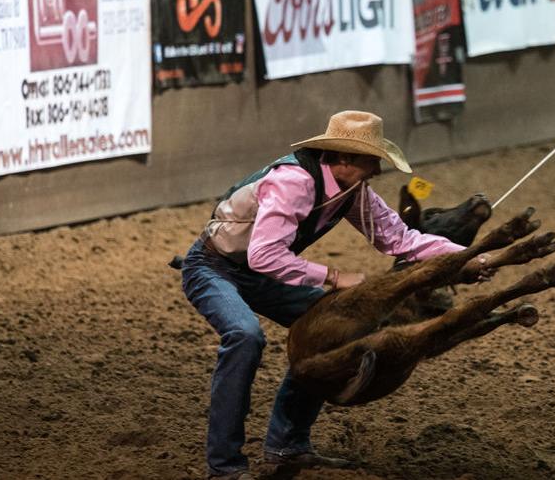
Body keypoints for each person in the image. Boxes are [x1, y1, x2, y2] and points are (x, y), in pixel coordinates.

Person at [180, 110, 492, 479]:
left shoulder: (351, 190)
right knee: (244, 336)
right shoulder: (294, 182)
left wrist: (468, 256)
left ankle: (287, 445)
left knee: (333, 332)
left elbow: (401, 239)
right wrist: (333, 276)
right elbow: (263, 254)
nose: (376, 171)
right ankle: (225, 467)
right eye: (371, 162)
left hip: (257, 269)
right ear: (344, 159)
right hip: (213, 267)